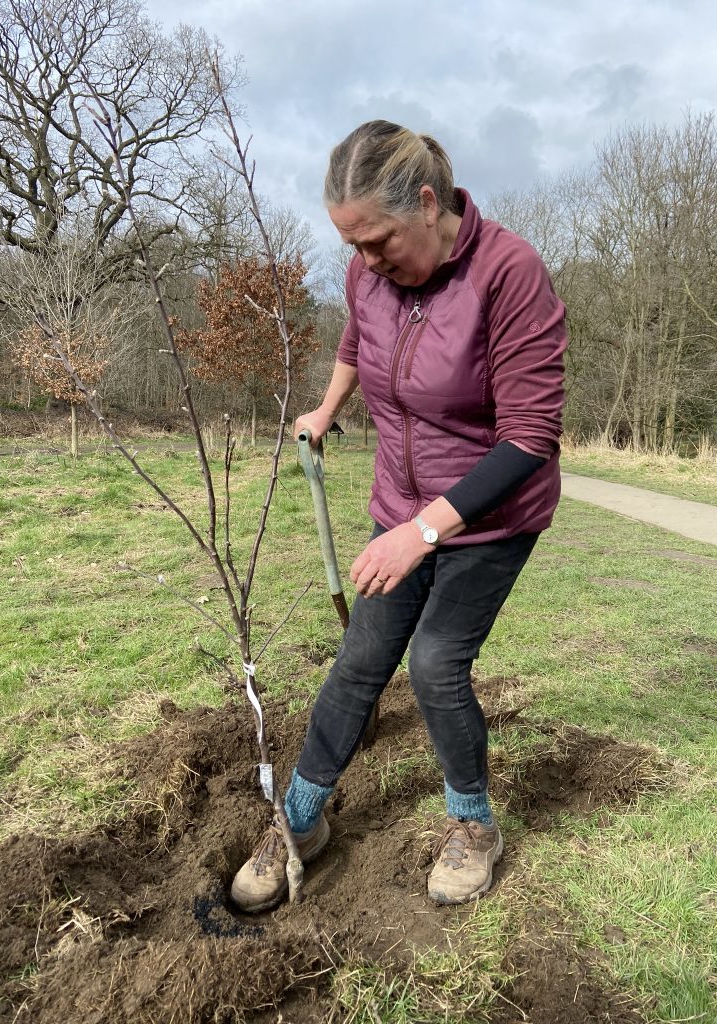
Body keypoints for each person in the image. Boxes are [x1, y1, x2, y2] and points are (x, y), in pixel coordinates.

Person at [231, 120, 567, 912]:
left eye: (378, 241)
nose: (366, 261)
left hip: (491, 514)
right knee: (360, 659)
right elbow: (359, 334)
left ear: (426, 203)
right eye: (352, 245)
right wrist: (326, 404)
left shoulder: (508, 272)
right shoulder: (368, 274)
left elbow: (530, 436)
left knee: (436, 665)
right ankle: (301, 822)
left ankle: (473, 824)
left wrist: (425, 534)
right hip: (398, 507)